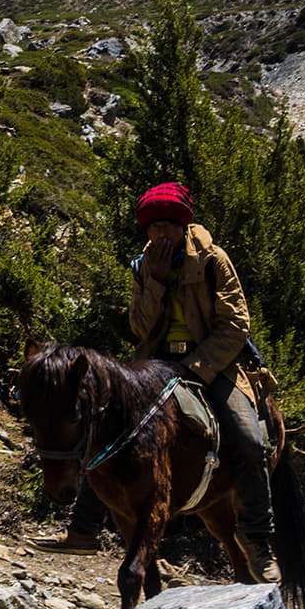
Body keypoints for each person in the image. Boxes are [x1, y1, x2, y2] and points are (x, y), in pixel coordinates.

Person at [123, 181, 274, 551]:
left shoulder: (213, 260)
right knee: (107, 419)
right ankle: (83, 525)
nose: (161, 234)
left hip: (213, 364)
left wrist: (195, 367)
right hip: (158, 362)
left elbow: (236, 325)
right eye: (154, 227)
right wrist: (155, 281)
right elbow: (139, 327)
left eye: (169, 226)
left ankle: (257, 536)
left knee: (250, 440)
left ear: (184, 226)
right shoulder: (144, 266)